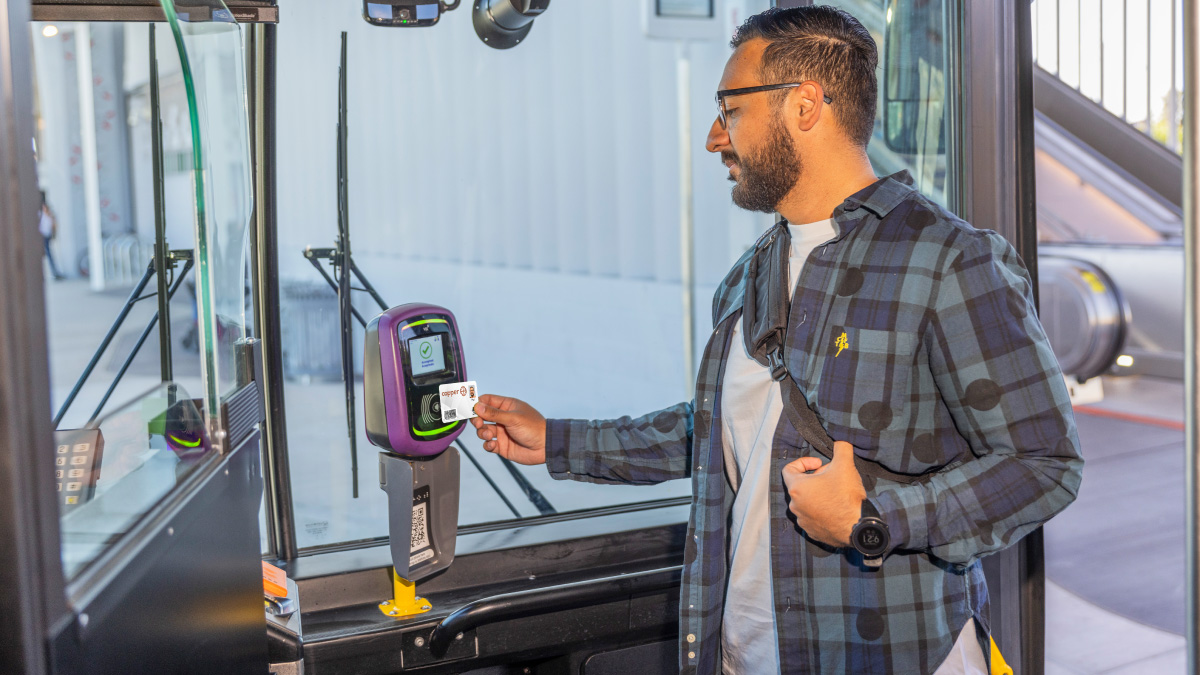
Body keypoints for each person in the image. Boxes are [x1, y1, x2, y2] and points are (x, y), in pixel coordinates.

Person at [470, 7, 1082, 674]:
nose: (715, 137)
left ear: (804, 105)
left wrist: (877, 518)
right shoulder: (749, 276)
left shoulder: (950, 261)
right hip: (744, 655)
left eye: (730, 108)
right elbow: (723, 433)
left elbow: (1044, 464)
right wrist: (557, 441)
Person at [38, 190, 65, 281]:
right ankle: (54, 272)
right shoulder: (42, 210)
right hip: (44, 234)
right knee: (47, 255)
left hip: (45, 235)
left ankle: (55, 272)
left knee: (48, 255)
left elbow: (53, 223)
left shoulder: (46, 210)